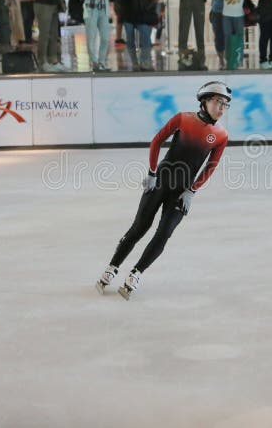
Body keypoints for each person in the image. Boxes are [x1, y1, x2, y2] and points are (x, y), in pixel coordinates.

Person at [95, 81, 231, 300]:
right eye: (218, 102)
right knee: (139, 227)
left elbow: (211, 165)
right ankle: (111, 268)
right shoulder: (183, 119)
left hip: (182, 191)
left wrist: (192, 191)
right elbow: (157, 141)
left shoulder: (221, 135)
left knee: (163, 234)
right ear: (205, 101)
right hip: (160, 182)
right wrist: (151, 172)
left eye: (226, 104)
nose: (222, 108)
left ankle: (135, 274)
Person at [121, 0, 164, 71]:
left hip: (144, 16)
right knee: (130, 40)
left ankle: (145, 62)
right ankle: (134, 62)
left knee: (146, 38)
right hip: (129, 14)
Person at [79, 0, 111, 71]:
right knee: (91, 38)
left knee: (105, 37)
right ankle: (94, 62)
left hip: (103, 8)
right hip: (91, 9)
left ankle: (102, 62)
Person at [222, 0, 250, 70]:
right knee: (227, 37)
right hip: (226, 15)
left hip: (239, 15)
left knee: (239, 37)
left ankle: (239, 59)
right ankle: (229, 59)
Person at [209, 0, 229, 70]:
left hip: (230, 10)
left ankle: (229, 57)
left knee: (229, 35)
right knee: (219, 36)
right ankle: (221, 59)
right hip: (218, 11)